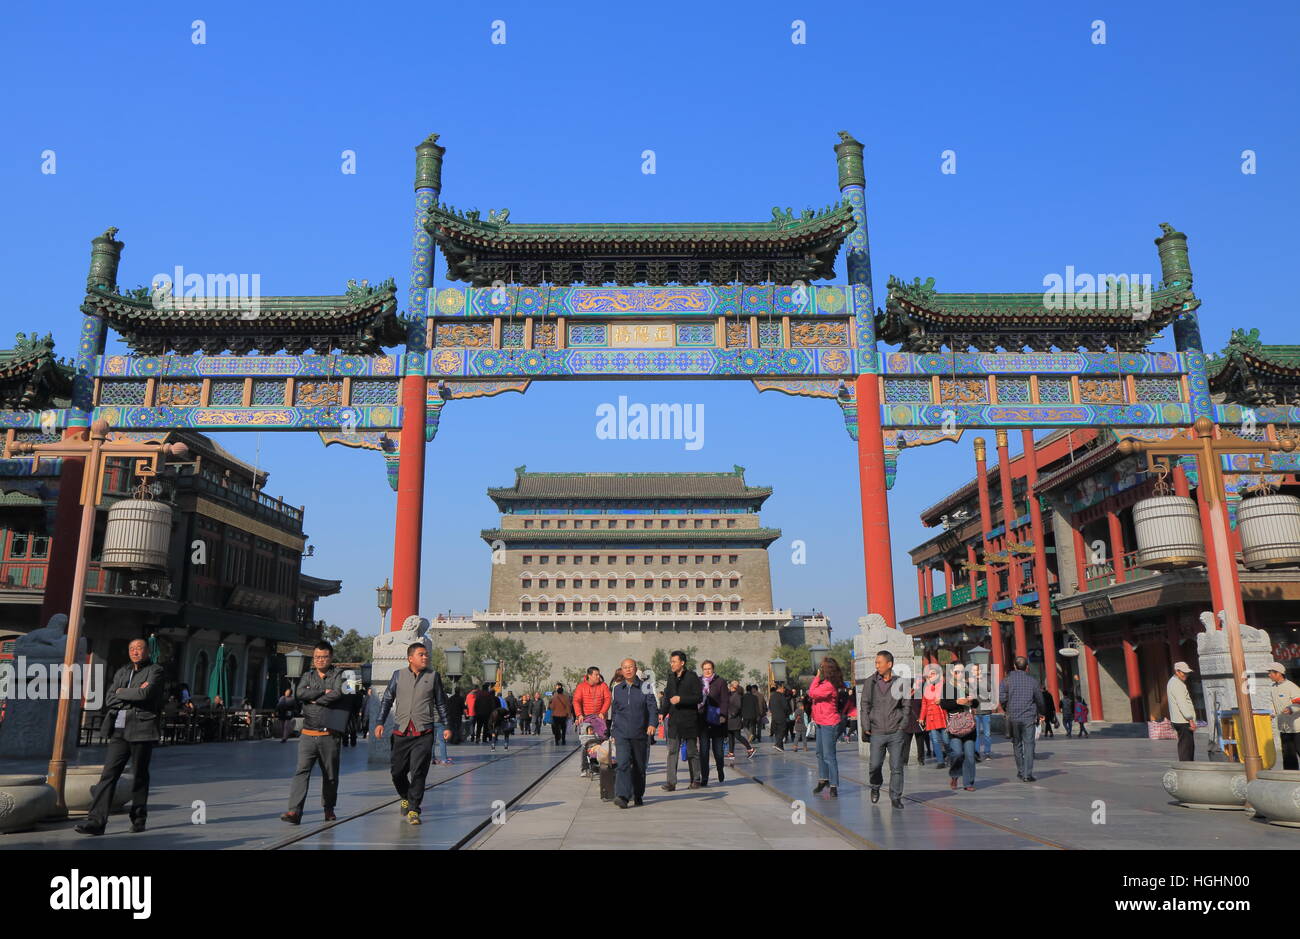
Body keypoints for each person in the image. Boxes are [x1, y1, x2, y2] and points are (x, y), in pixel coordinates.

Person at [76, 638, 164, 835]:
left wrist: (121, 692)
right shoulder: (123, 671)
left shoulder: (155, 670)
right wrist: (130, 692)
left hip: (142, 729)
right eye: (131, 648)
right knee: (108, 774)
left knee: (139, 775)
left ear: (147, 651)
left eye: (139, 648)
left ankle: (139, 817)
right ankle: (96, 822)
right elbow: (109, 697)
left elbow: (145, 694)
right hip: (119, 727)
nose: (135, 652)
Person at [374, 642, 451, 825]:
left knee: (418, 772)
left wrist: (446, 725)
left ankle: (414, 810)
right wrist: (379, 722)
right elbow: (386, 699)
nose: (425, 657)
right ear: (410, 658)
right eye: (421, 654)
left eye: (426, 654)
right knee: (397, 772)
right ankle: (406, 796)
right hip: (401, 731)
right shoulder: (398, 675)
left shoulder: (433, 676)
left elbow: (441, 703)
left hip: (424, 731)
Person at [281, 641, 345, 824]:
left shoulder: (338, 675)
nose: (320, 660)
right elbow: (300, 693)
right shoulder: (307, 676)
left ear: (331, 657)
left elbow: (339, 693)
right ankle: (294, 811)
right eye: (317, 657)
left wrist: (315, 698)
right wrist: (322, 692)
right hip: (308, 733)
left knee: (330, 775)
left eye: (323, 657)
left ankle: (329, 808)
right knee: (301, 771)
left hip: (329, 734)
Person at [860, 650, 908, 809]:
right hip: (877, 731)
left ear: (889, 664)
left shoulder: (901, 682)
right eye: (876, 663)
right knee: (874, 765)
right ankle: (875, 787)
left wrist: (902, 724)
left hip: (896, 731)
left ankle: (895, 796)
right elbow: (864, 705)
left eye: (879, 662)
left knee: (896, 767)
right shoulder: (870, 682)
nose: (877, 665)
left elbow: (906, 706)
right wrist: (866, 725)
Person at [610, 658, 658, 808]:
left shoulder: (645, 687)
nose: (628, 670)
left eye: (630, 667)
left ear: (635, 669)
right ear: (621, 670)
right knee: (622, 764)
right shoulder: (618, 689)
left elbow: (652, 707)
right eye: (625, 667)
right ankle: (622, 796)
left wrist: (652, 723)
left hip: (639, 733)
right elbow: (615, 711)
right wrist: (613, 731)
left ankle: (638, 794)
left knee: (639, 766)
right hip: (622, 733)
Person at [659, 650, 703, 791]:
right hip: (674, 721)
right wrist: (662, 712)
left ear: (682, 663)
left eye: (674, 661)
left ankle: (695, 779)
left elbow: (699, 697)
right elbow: (667, 697)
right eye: (671, 661)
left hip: (689, 720)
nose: (671, 664)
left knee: (691, 751)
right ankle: (671, 782)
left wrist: (681, 699)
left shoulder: (692, 677)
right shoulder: (671, 678)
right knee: (672, 751)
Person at [999, 655, 1045, 782]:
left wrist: (1007, 709)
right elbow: (1040, 700)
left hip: (1013, 717)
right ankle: (1027, 774)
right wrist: (1041, 712)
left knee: (1017, 744)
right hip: (1028, 717)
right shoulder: (1033, 681)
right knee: (1029, 745)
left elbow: (1002, 698)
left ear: (1014, 666)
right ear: (1027, 668)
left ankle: (1020, 771)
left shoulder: (1006, 680)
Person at [808, 655, 846, 797]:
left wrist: (816, 677)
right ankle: (823, 779)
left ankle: (834, 784)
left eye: (822, 667)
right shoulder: (825, 683)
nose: (820, 669)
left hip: (829, 723)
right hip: (820, 722)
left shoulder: (829, 686)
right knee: (820, 753)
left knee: (829, 755)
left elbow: (812, 693)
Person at [941, 664, 980, 792]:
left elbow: (976, 703)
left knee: (969, 755)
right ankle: (955, 775)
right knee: (957, 753)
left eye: (963, 671)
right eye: (957, 671)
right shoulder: (947, 687)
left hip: (968, 726)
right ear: (952, 672)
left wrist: (971, 700)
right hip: (955, 726)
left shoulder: (968, 686)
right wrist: (957, 702)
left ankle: (968, 782)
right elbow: (943, 704)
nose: (960, 674)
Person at [697, 660, 730, 785]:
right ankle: (704, 777)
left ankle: (720, 769)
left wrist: (723, 715)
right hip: (702, 720)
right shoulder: (699, 682)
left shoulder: (720, 682)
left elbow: (725, 700)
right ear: (702, 670)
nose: (707, 671)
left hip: (717, 719)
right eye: (705, 669)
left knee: (718, 751)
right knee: (704, 750)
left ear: (713, 668)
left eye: (709, 668)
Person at [1266, 663, 1300, 770]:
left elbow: (1298, 702)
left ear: (1278, 673)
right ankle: (1290, 776)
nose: (1269, 675)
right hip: (1284, 728)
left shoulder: (1291, 686)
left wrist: (1291, 709)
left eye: (1270, 673)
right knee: (1288, 755)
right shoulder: (1272, 688)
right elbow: (1272, 702)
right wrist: (1271, 712)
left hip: (1297, 728)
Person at [919, 665, 949, 769]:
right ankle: (940, 761)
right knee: (935, 740)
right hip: (930, 718)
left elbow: (950, 700)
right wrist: (922, 717)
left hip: (942, 716)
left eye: (933, 673)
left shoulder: (944, 686)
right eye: (929, 674)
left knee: (946, 740)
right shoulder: (926, 688)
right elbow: (924, 704)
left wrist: (941, 700)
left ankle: (950, 757)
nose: (930, 676)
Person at [1166, 662, 1197, 762]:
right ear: (1177, 672)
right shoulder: (1177, 684)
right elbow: (1182, 704)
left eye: (1187, 673)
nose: (1186, 675)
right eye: (1184, 673)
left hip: (1179, 720)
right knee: (1186, 747)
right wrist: (1190, 719)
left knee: (1185, 745)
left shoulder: (1173, 682)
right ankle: (1186, 767)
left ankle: (1186, 765)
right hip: (1183, 720)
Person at [572, 667, 612, 732]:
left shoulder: (603, 686)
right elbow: (576, 701)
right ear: (589, 676)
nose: (598, 676)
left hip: (600, 718)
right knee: (587, 739)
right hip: (585, 719)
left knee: (600, 739)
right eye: (596, 675)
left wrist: (602, 712)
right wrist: (579, 714)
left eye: (599, 674)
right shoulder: (581, 686)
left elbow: (608, 699)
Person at [725, 679, 756, 759]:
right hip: (729, 720)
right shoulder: (730, 694)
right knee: (730, 736)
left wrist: (733, 714)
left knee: (737, 736)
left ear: (732, 686)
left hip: (735, 719)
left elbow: (738, 706)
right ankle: (731, 753)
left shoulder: (737, 695)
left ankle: (750, 749)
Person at [970, 664, 995, 760]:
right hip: (975, 711)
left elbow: (990, 689)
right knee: (975, 734)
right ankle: (976, 752)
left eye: (975, 670)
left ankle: (987, 752)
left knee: (987, 734)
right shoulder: (970, 682)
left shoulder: (986, 679)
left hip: (986, 711)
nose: (974, 672)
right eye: (973, 671)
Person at [768, 680, 791, 751]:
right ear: (780, 688)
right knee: (782, 730)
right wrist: (788, 713)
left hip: (774, 716)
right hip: (781, 716)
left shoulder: (772, 696)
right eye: (783, 688)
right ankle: (777, 744)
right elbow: (785, 707)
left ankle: (780, 747)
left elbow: (770, 706)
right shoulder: (781, 696)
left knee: (777, 731)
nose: (784, 690)